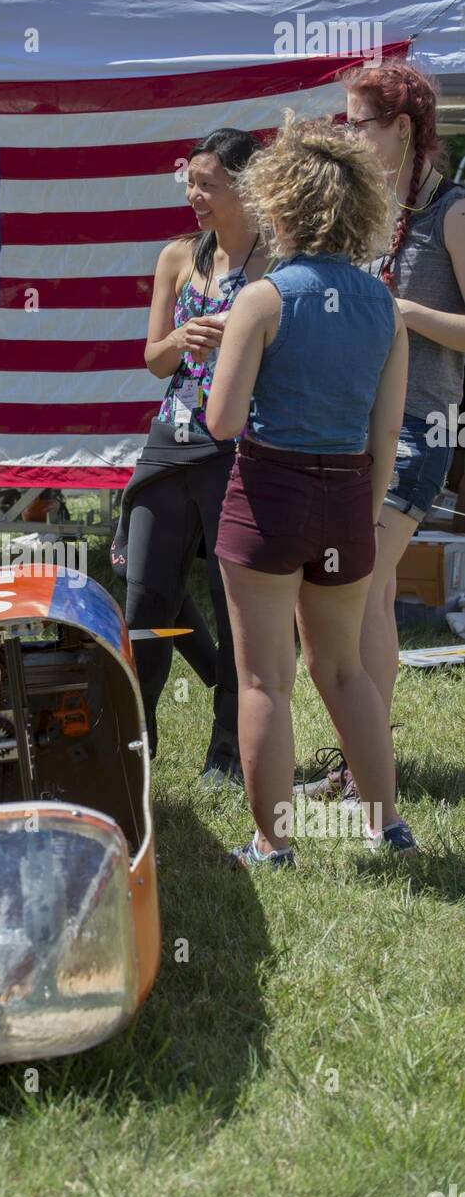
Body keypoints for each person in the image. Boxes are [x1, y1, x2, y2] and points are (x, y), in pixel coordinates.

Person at [206, 112, 418, 866]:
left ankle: (272, 843)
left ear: (280, 201)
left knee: (264, 678)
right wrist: (361, 511)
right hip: (346, 495)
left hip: (267, 491)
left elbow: (222, 420)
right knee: (344, 669)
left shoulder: (262, 299)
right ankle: (386, 826)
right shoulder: (384, 308)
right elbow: (386, 435)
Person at [298, 60, 465, 806]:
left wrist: (405, 313)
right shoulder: (367, 214)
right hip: (356, 428)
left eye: (358, 122)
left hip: (420, 429)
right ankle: (364, 766)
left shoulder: (451, 212)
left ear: (401, 129)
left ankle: (363, 785)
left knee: (356, 593)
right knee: (375, 590)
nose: (347, 136)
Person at [112, 128, 273, 782]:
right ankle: (133, 746)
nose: (193, 194)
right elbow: (153, 362)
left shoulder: (276, 263)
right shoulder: (176, 256)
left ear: (245, 186)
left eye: (207, 182)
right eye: (190, 180)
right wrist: (180, 335)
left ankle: (227, 755)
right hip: (170, 444)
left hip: (243, 446)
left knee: (232, 601)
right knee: (145, 594)